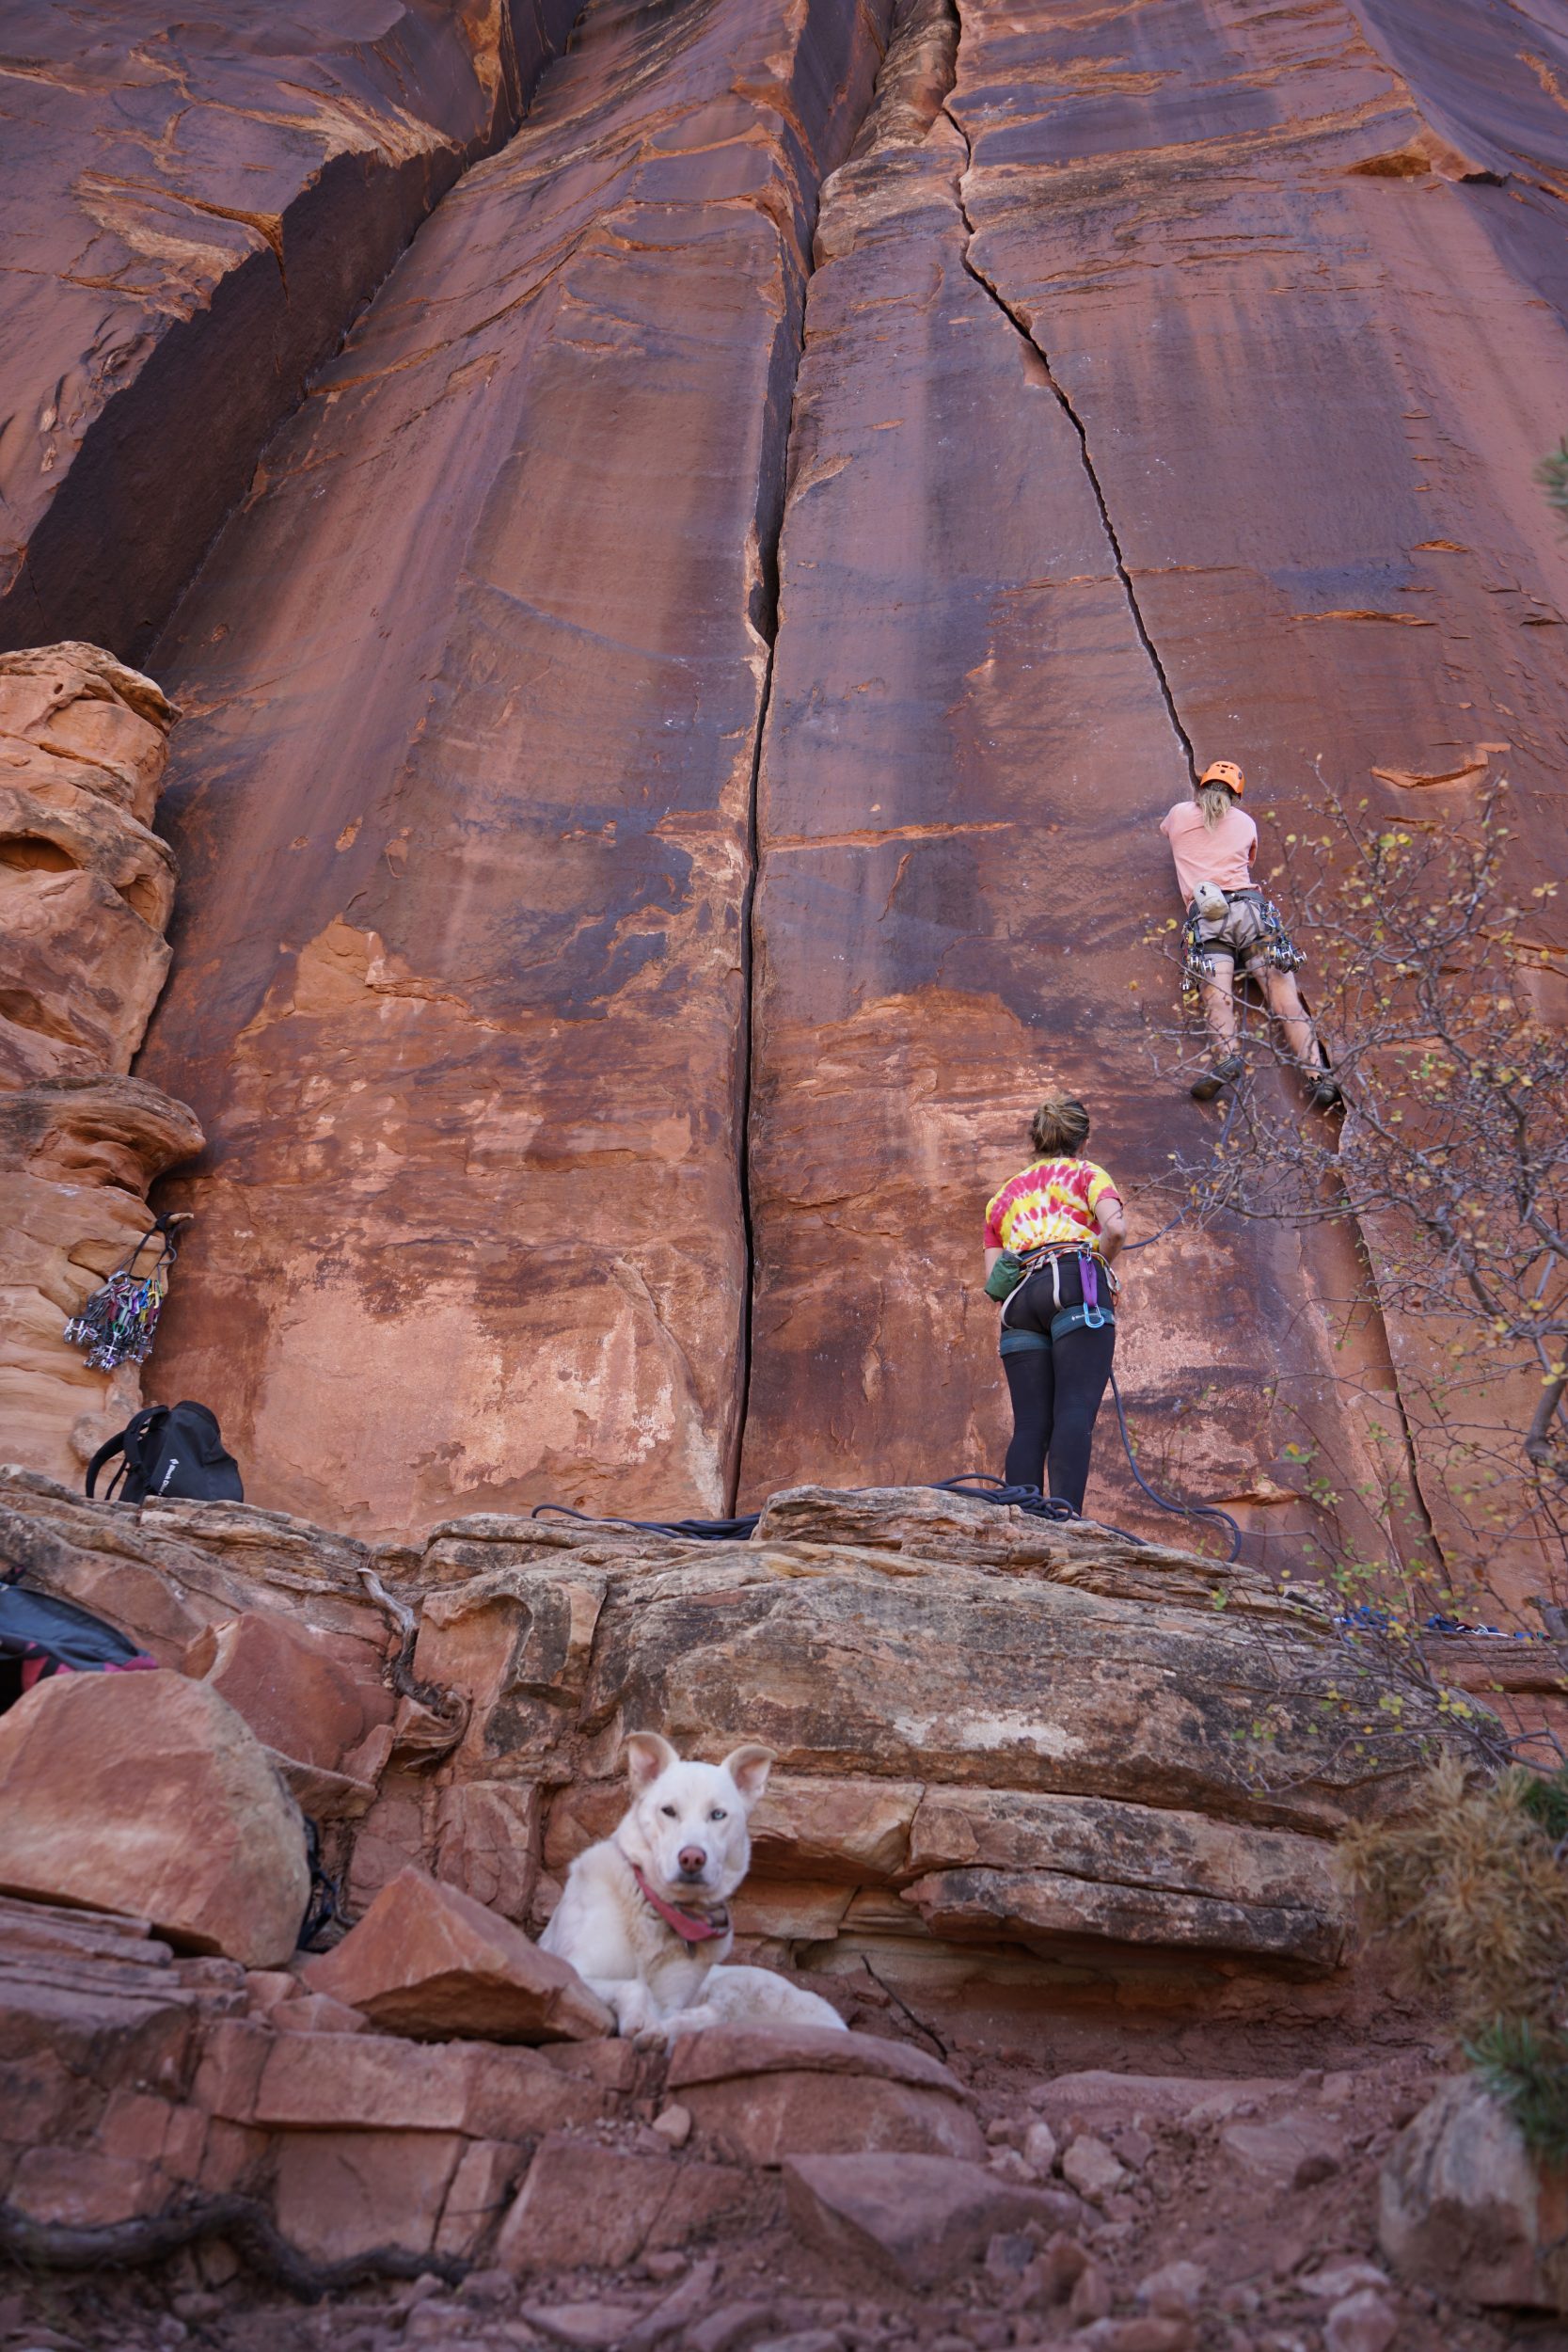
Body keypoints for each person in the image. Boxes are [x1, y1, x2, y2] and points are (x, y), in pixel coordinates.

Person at [1159, 759, 1339, 1106]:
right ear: (1236, 796)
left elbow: (1165, 829)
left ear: (1202, 786)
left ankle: (1228, 1057)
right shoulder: (1244, 822)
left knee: (1217, 996)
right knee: (1284, 998)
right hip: (1252, 912)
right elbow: (1249, 859)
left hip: (1208, 916)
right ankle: (1318, 1077)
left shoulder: (1180, 815)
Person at [983, 1094, 1126, 1512]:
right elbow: (1115, 1229)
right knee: (1075, 1409)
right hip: (1073, 1281)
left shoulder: (1003, 1197)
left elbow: (992, 1280)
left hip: (1018, 1302)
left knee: (1029, 1423)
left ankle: (1021, 1518)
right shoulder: (1086, 1173)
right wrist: (1098, 1264)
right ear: (1083, 1141)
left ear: (1036, 1140)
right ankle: (1064, 1518)